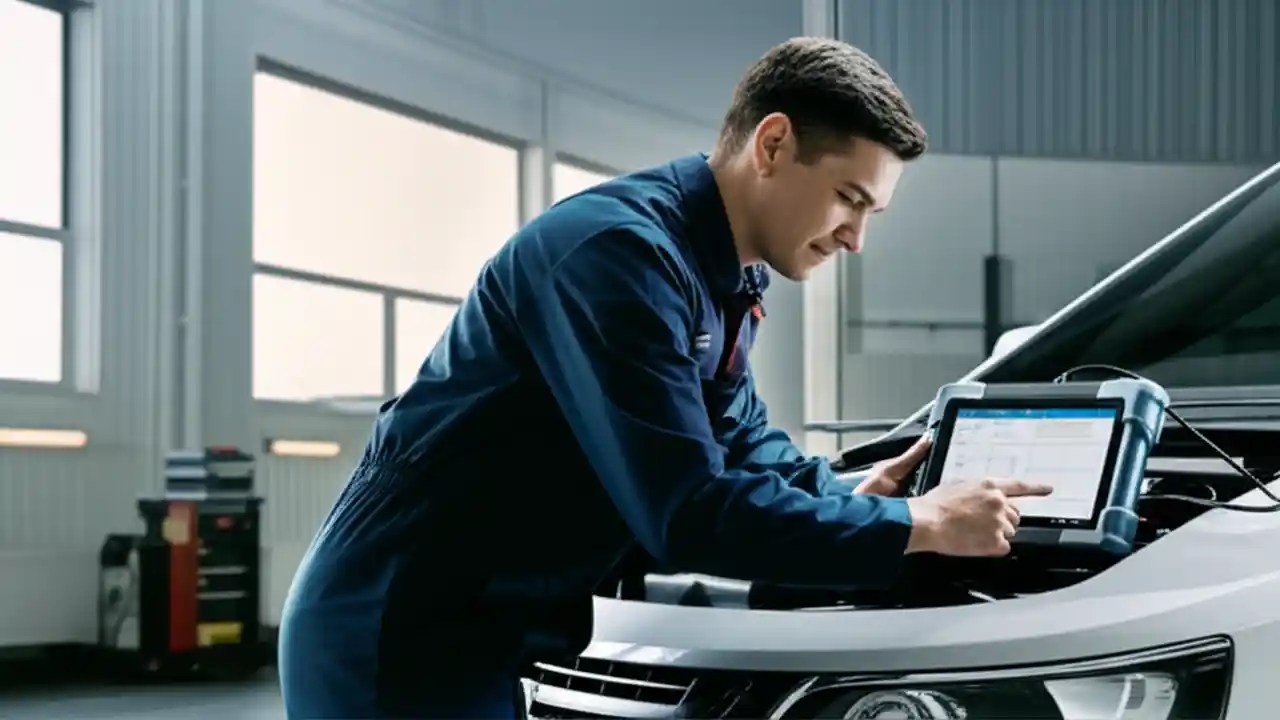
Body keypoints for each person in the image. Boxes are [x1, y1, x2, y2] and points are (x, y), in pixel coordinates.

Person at [277, 36, 1051, 719]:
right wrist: (917, 527)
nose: (855, 238)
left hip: (477, 629)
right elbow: (686, 510)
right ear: (773, 144)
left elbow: (743, 444)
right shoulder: (615, 258)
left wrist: (850, 496)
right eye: (850, 200)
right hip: (392, 632)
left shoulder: (718, 279)